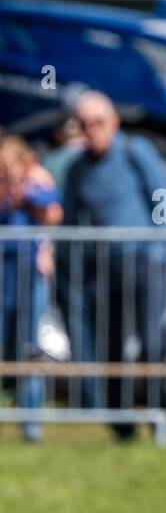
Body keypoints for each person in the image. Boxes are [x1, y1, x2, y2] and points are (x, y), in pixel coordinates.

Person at [59, 90, 166, 439]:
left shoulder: (134, 151)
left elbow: (162, 197)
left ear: (114, 122)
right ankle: (122, 427)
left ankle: (162, 418)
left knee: (152, 343)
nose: (92, 130)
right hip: (101, 269)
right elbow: (69, 219)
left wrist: (159, 252)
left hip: (142, 261)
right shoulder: (77, 168)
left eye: (98, 122)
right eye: (84, 124)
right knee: (109, 349)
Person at [0, 137, 62, 442]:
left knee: (30, 347)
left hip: (29, 273)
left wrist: (25, 191)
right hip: (4, 272)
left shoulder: (37, 183)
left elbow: (52, 213)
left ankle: (31, 423)